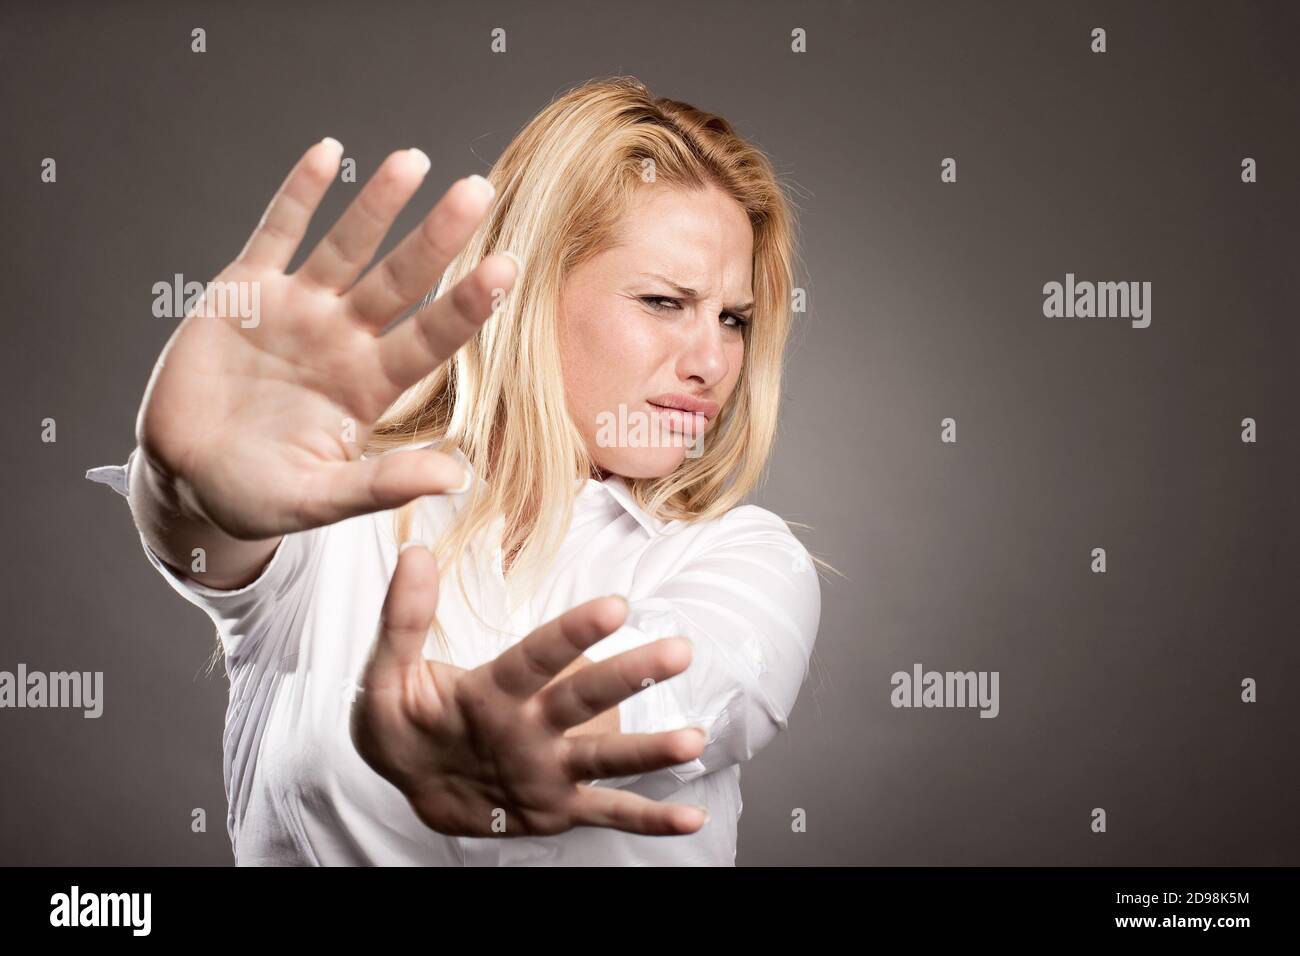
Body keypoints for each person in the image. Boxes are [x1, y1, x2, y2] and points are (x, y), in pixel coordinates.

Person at [86, 75, 822, 866]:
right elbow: (206, 528)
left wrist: (528, 738)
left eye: (734, 319)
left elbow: (693, 683)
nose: (712, 362)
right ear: (531, 288)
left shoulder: (745, 556)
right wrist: (185, 478)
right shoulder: (337, 509)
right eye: (663, 302)